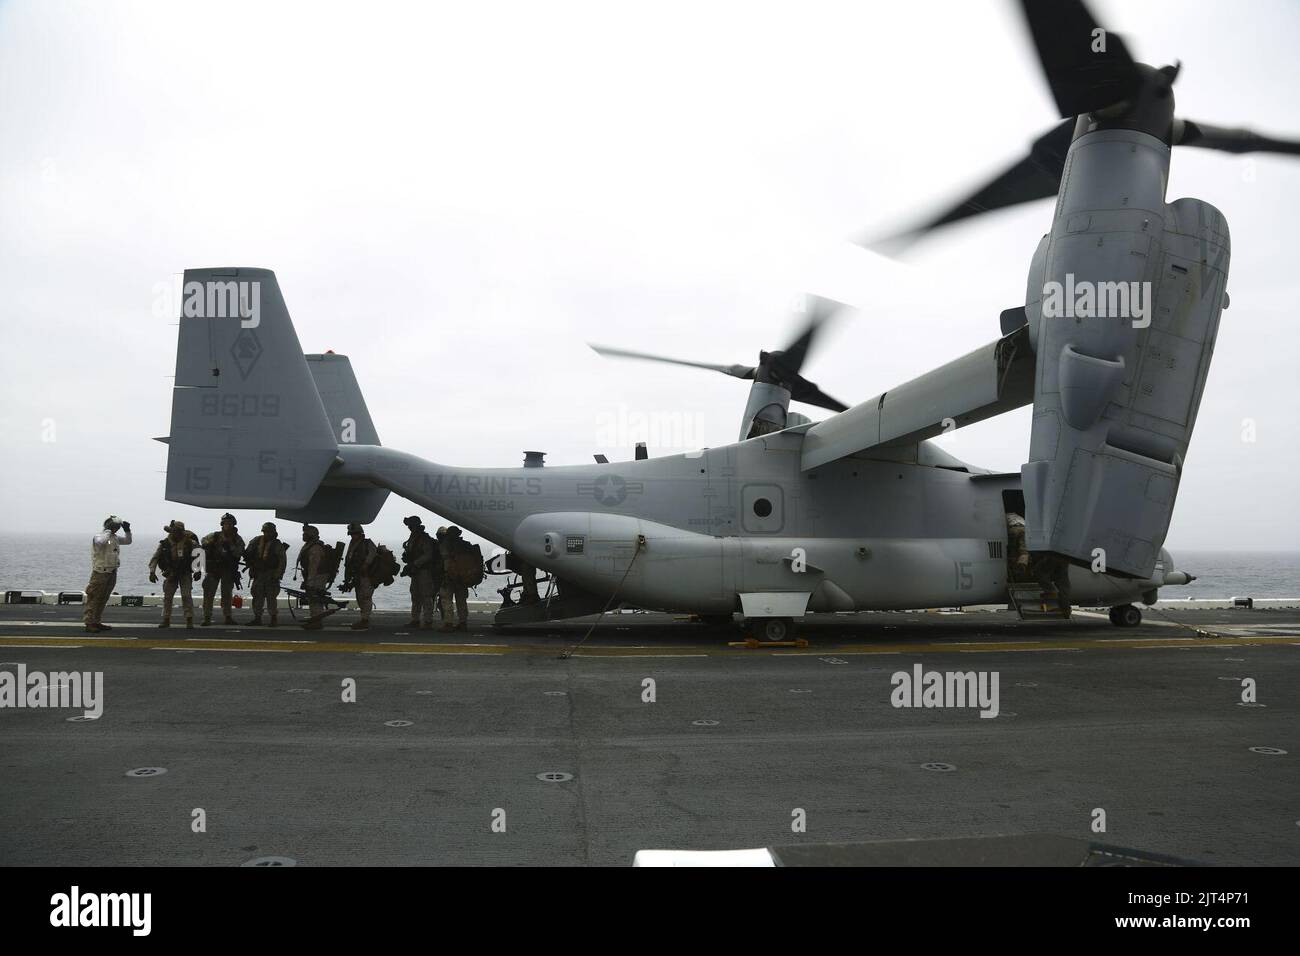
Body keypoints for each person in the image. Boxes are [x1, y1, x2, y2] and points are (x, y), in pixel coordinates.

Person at [148, 520, 201, 629]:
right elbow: (155, 558)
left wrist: (198, 570)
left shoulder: (190, 543)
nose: (176, 533)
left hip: (185, 572)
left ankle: (189, 619)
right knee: (167, 597)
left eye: (178, 531)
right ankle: (166, 619)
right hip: (171, 573)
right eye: (174, 531)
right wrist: (152, 571)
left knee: (186, 596)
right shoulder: (165, 544)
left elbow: (198, 556)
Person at [85, 515, 132, 633]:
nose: (116, 529)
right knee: (94, 597)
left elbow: (128, 541)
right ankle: (89, 622)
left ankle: (96, 621)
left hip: (111, 572)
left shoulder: (113, 538)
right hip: (100, 573)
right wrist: (108, 530)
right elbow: (101, 542)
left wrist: (127, 531)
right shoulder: (99, 536)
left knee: (103, 598)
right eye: (115, 527)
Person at [200, 512, 245, 626]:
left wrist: (230, 546)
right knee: (209, 593)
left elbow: (240, 551)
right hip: (214, 568)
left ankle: (228, 617)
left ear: (233, 525)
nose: (228, 526)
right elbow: (203, 541)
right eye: (226, 523)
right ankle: (207, 617)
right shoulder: (215, 536)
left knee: (227, 595)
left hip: (228, 569)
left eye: (230, 524)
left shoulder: (237, 539)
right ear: (222, 524)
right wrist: (211, 544)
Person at [243, 522, 287, 626]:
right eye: (265, 531)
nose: (267, 534)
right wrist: (251, 564)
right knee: (257, 596)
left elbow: (282, 561)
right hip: (258, 573)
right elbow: (248, 553)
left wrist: (277, 575)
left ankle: (273, 618)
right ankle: (257, 618)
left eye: (269, 532)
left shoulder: (277, 545)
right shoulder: (256, 541)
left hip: (271, 574)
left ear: (273, 532)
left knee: (271, 597)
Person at [400, 515, 438, 629]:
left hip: (424, 571)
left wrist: (415, 564)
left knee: (426, 596)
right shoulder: (413, 538)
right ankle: (415, 619)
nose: (409, 528)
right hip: (416, 571)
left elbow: (428, 555)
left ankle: (428, 621)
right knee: (415, 595)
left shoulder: (425, 539)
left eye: (411, 525)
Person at [296, 525, 334, 629]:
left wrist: (310, 582)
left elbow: (314, 566)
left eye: (306, 533)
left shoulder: (315, 548)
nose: (303, 535)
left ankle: (317, 622)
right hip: (315, 576)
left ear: (311, 535)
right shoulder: (309, 546)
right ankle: (315, 620)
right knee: (313, 599)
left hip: (318, 577)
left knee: (315, 599)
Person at [342, 522, 378, 631]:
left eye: (354, 534)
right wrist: (347, 577)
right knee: (360, 597)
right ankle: (363, 618)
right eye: (352, 534)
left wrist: (366, 565)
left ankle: (365, 620)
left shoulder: (367, 543)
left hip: (366, 576)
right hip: (357, 576)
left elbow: (372, 554)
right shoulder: (352, 544)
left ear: (360, 533)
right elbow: (348, 560)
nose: (353, 536)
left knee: (365, 597)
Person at [437, 525, 470, 632]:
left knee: (447, 600)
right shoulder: (465, 545)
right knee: (461, 601)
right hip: (462, 577)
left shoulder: (445, 545)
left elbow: (444, 561)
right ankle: (463, 622)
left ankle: (448, 623)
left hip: (449, 576)